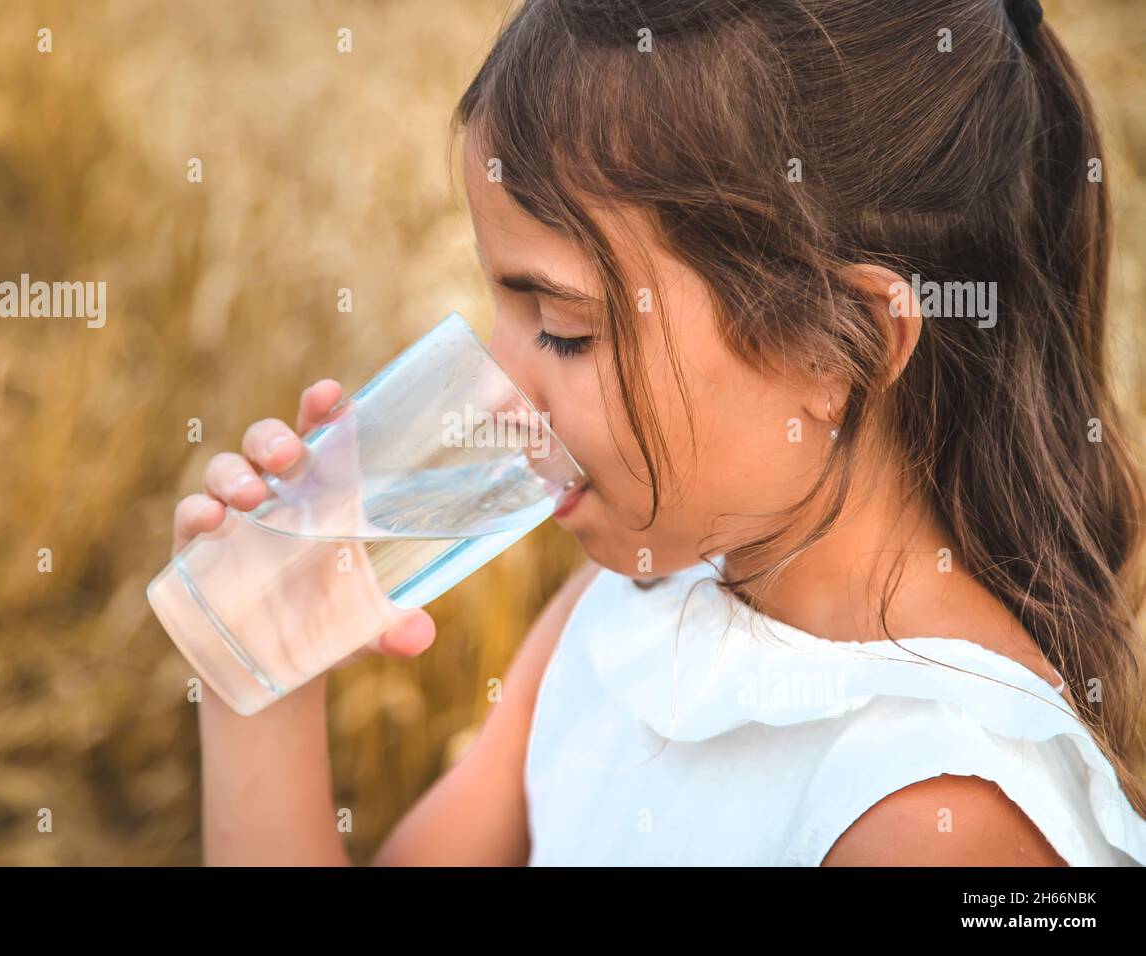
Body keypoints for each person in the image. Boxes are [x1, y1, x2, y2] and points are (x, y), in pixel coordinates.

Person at [169, 0, 1146, 865]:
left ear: (832, 347)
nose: (500, 390)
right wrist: (261, 666)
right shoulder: (630, 604)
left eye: (563, 328)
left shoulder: (934, 811)